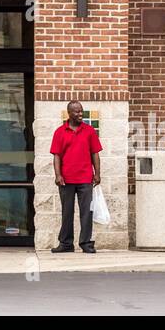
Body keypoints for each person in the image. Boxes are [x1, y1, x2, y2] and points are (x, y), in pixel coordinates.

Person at [50, 100, 102, 253]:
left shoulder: (89, 131)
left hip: (85, 179)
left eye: (81, 111)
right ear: (69, 113)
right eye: (77, 111)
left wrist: (97, 173)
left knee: (86, 212)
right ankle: (66, 244)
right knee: (67, 212)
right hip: (66, 180)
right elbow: (57, 156)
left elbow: (95, 153)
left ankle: (85, 243)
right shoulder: (59, 132)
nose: (80, 114)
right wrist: (58, 175)